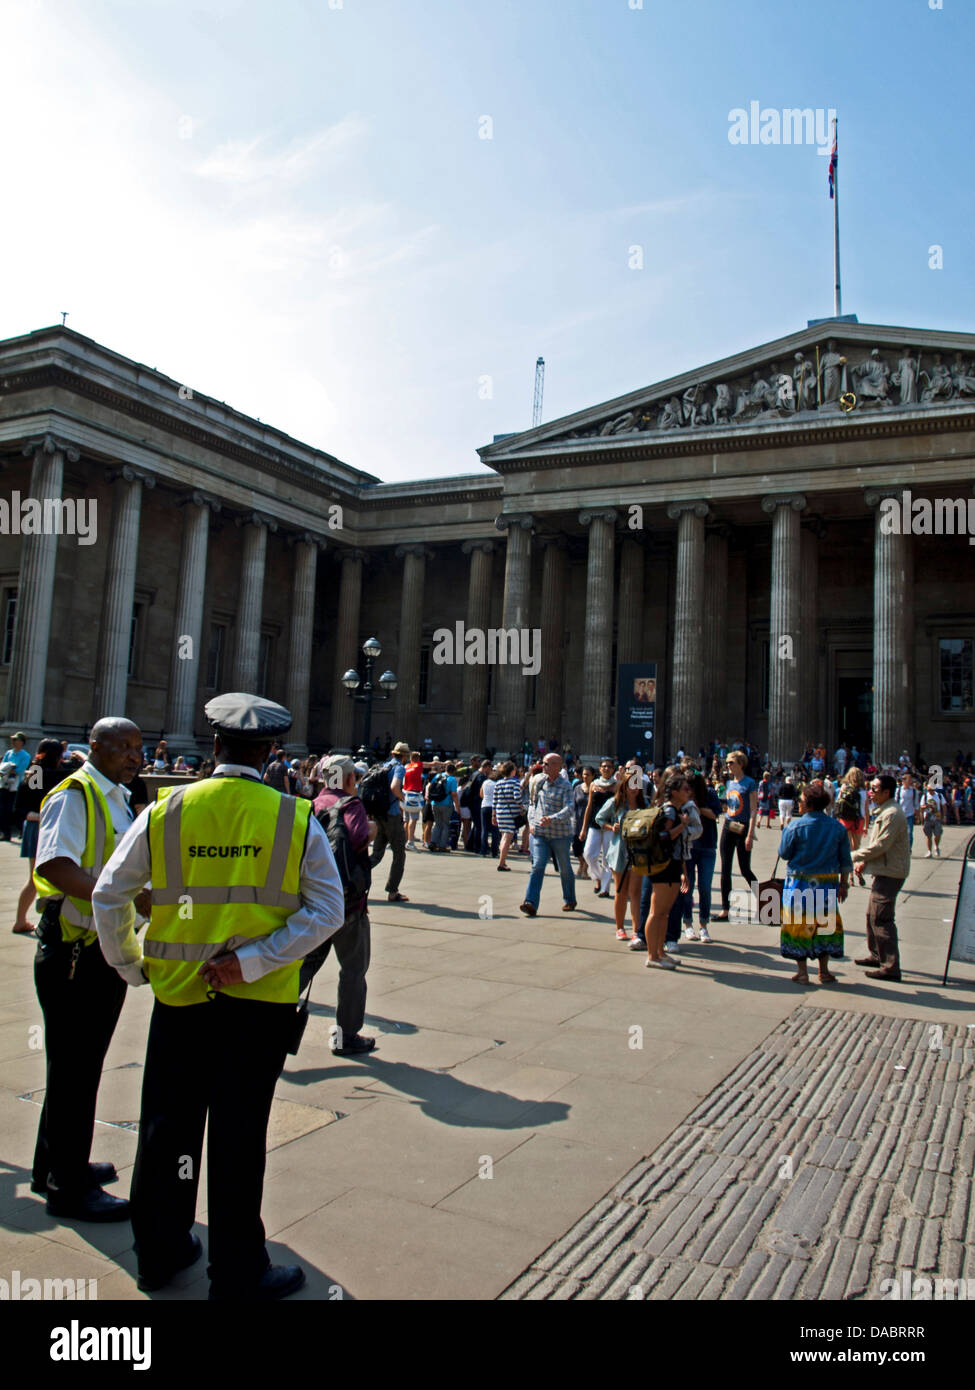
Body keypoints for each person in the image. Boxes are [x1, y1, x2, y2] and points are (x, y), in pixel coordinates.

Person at [92, 692, 345, 1299]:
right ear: (270, 753)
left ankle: (159, 1250)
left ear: (214, 745)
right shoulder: (293, 816)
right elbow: (328, 911)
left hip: (179, 1000)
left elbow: (108, 895)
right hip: (258, 1007)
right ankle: (236, 1270)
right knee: (238, 1136)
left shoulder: (167, 810)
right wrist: (253, 960)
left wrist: (131, 966)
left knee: (166, 1131)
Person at [31, 717, 148, 1220]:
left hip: (96, 947)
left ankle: (51, 1164)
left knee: (73, 1066)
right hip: (74, 952)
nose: (134, 757)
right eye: (123, 748)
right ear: (95, 747)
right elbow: (55, 866)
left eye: (138, 749)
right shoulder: (75, 795)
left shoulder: (115, 797)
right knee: (76, 1069)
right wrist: (123, 896)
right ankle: (69, 1186)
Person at [298, 754, 376, 1055]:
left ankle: (268, 1015)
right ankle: (346, 1037)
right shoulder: (350, 805)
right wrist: (373, 830)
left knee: (306, 964)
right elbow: (357, 837)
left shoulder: (311, 805)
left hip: (314, 902)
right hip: (348, 906)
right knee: (353, 970)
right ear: (347, 779)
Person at [778, 783, 851, 986]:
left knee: (799, 926)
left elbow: (784, 853)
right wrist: (844, 884)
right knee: (823, 926)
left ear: (809, 804)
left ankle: (802, 972)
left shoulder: (795, 826)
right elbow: (845, 860)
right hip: (826, 884)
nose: (798, 803)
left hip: (800, 883)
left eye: (800, 800)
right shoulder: (837, 827)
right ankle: (824, 971)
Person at [851, 774, 910, 982]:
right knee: (871, 915)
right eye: (870, 788)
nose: (870, 792)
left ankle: (890, 966)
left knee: (881, 919)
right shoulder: (885, 811)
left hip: (891, 872)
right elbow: (877, 843)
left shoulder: (892, 814)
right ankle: (877, 955)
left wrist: (853, 856)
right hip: (884, 869)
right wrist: (864, 862)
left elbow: (881, 846)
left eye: (874, 789)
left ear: (887, 792)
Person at [11, 739, 64, 935]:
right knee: (38, 877)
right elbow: (26, 805)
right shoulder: (41, 773)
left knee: (37, 877)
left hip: (39, 826)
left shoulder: (38, 772)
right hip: (40, 826)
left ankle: (21, 920)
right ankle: (21, 920)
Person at [642, 773, 692, 968]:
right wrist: (683, 825)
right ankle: (652, 956)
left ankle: (660, 952)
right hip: (663, 865)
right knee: (657, 912)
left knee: (664, 913)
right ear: (674, 792)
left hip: (672, 864)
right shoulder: (670, 811)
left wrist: (683, 870)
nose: (689, 792)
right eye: (685, 789)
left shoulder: (674, 810)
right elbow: (663, 837)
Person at [519, 753, 577, 917]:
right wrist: (531, 822)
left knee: (565, 868)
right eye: (543, 763)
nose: (542, 766)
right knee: (537, 866)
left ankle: (569, 899)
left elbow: (569, 808)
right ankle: (530, 902)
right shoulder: (538, 782)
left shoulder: (566, 786)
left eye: (546, 764)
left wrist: (552, 819)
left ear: (557, 766)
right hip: (540, 833)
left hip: (560, 835)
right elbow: (532, 804)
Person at [596, 768, 648, 940]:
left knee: (636, 892)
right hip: (619, 851)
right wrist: (612, 827)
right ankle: (619, 927)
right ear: (624, 785)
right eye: (630, 784)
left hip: (638, 852)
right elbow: (599, 818)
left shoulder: (644, 804)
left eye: (637, 785)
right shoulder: (615, 802)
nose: (634, 788)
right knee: (621, 891)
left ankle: (636, 930)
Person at [714, 750, 758, 921]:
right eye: (727, 763)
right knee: (725, 868)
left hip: (743, 827)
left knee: (745, 869)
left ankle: (768, 904)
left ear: (740, 763)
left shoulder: (750, 783)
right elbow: (730, 806)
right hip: (728, 825)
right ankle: (725, 909)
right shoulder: (729, 783)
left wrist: (750, 834)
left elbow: (753, 810)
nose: (728, 765)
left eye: (731, 762)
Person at [368, 740, 409, 901]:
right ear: (404, 756)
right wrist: (402, 798)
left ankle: (350, 875)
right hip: (391, 816)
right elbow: (394, 787)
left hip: (379, 815)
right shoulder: (399, 768)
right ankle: (393, 891)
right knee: (399, 854)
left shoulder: (384, 766)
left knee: (377, 853)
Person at [580, 759, 617, 898]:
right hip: (594, 825)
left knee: (607, 858)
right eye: (604, 766)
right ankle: (597, 878)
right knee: (588, 854)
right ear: (600, 769)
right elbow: (589, 806)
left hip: (610, 826)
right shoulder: (594, 785)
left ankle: (605, 889)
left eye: (609, 766)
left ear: (613, 769)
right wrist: (583, 828)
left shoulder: (617, 786)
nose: (606, 768)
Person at [493, 761, 526, 871]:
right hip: (511, 814)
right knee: (507, 839)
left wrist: (493, 815)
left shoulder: (498, 783)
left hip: (500, 812)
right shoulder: (515, 783)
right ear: (513, 771)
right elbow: (517, 797)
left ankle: (502, 861)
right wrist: (522, 808)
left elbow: (495, 800)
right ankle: (501, 863)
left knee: (503, 837)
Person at [0, 731, 32, 839]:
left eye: (16, 740)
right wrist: (9, 768)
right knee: (3, 808)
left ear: (22, 742)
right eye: (13, 740)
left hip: (16, 785)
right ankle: (5, 832)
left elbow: (19, 769)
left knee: (12, 809)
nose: (14, 742)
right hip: (5, 783)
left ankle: (19, 830)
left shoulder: (25, 755)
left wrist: (10, 768)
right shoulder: (9, 753)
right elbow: (2, 766)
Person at [427, 760, 460, 852]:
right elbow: (454, 794)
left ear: (445, 769)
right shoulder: (452, 779)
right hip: (446, 804)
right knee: (445, 825)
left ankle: (433, 842)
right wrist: (457, 807)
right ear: (454, 771)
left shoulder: (438, 776)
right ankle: (442, 845)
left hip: (435, 802)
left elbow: (430, 786)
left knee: (437, 824)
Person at [402, 750, 424, 848]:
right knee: (413, 819)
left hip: (405, 794)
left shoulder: (406, 767)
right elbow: (432, 763)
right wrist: (444, 763)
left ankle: (405, 840)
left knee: (406, 820)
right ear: (417, 758)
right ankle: (410, 841)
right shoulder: (418, 765)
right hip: (414, 794)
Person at [479, 764, 500, 858]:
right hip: (494, 807)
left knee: (485, 829)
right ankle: (494, 851)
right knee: (495, 830)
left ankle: (483, 850)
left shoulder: (485, 782)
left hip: (484, 806)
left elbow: (481, 794)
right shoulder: (498, 784)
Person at [920, 782, 945, 857]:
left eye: (931, 790)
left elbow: (944, 806)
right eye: (929, 790)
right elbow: (921, 807)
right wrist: (926, 807)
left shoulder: (939, 796)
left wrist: (944, 816)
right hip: (927, 817)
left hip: (937, 817)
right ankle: (929, 851)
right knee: (928, 835)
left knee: (938, 834)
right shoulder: (925, 796)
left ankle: (936, 847)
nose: (930, 791)